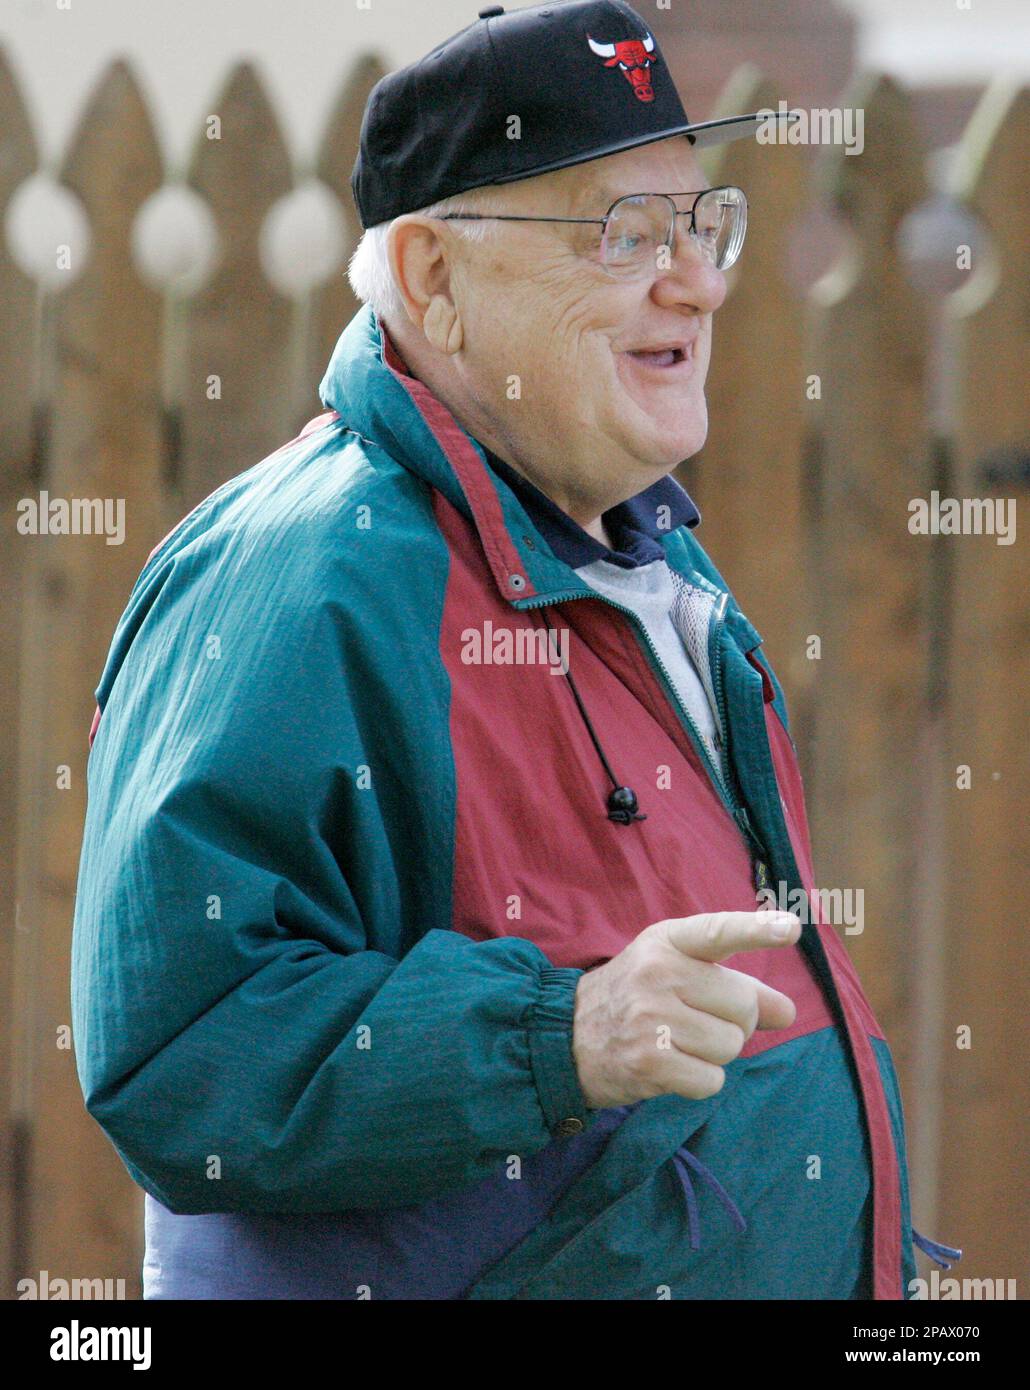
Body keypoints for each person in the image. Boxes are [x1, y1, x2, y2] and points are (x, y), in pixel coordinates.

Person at [71, 0, 955, 1299]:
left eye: (701, 225)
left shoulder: (649, 554)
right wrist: (565, 1030)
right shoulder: (305, 571)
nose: (697, 280)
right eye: (624, 232)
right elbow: (182, 1051)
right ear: (433, 277)